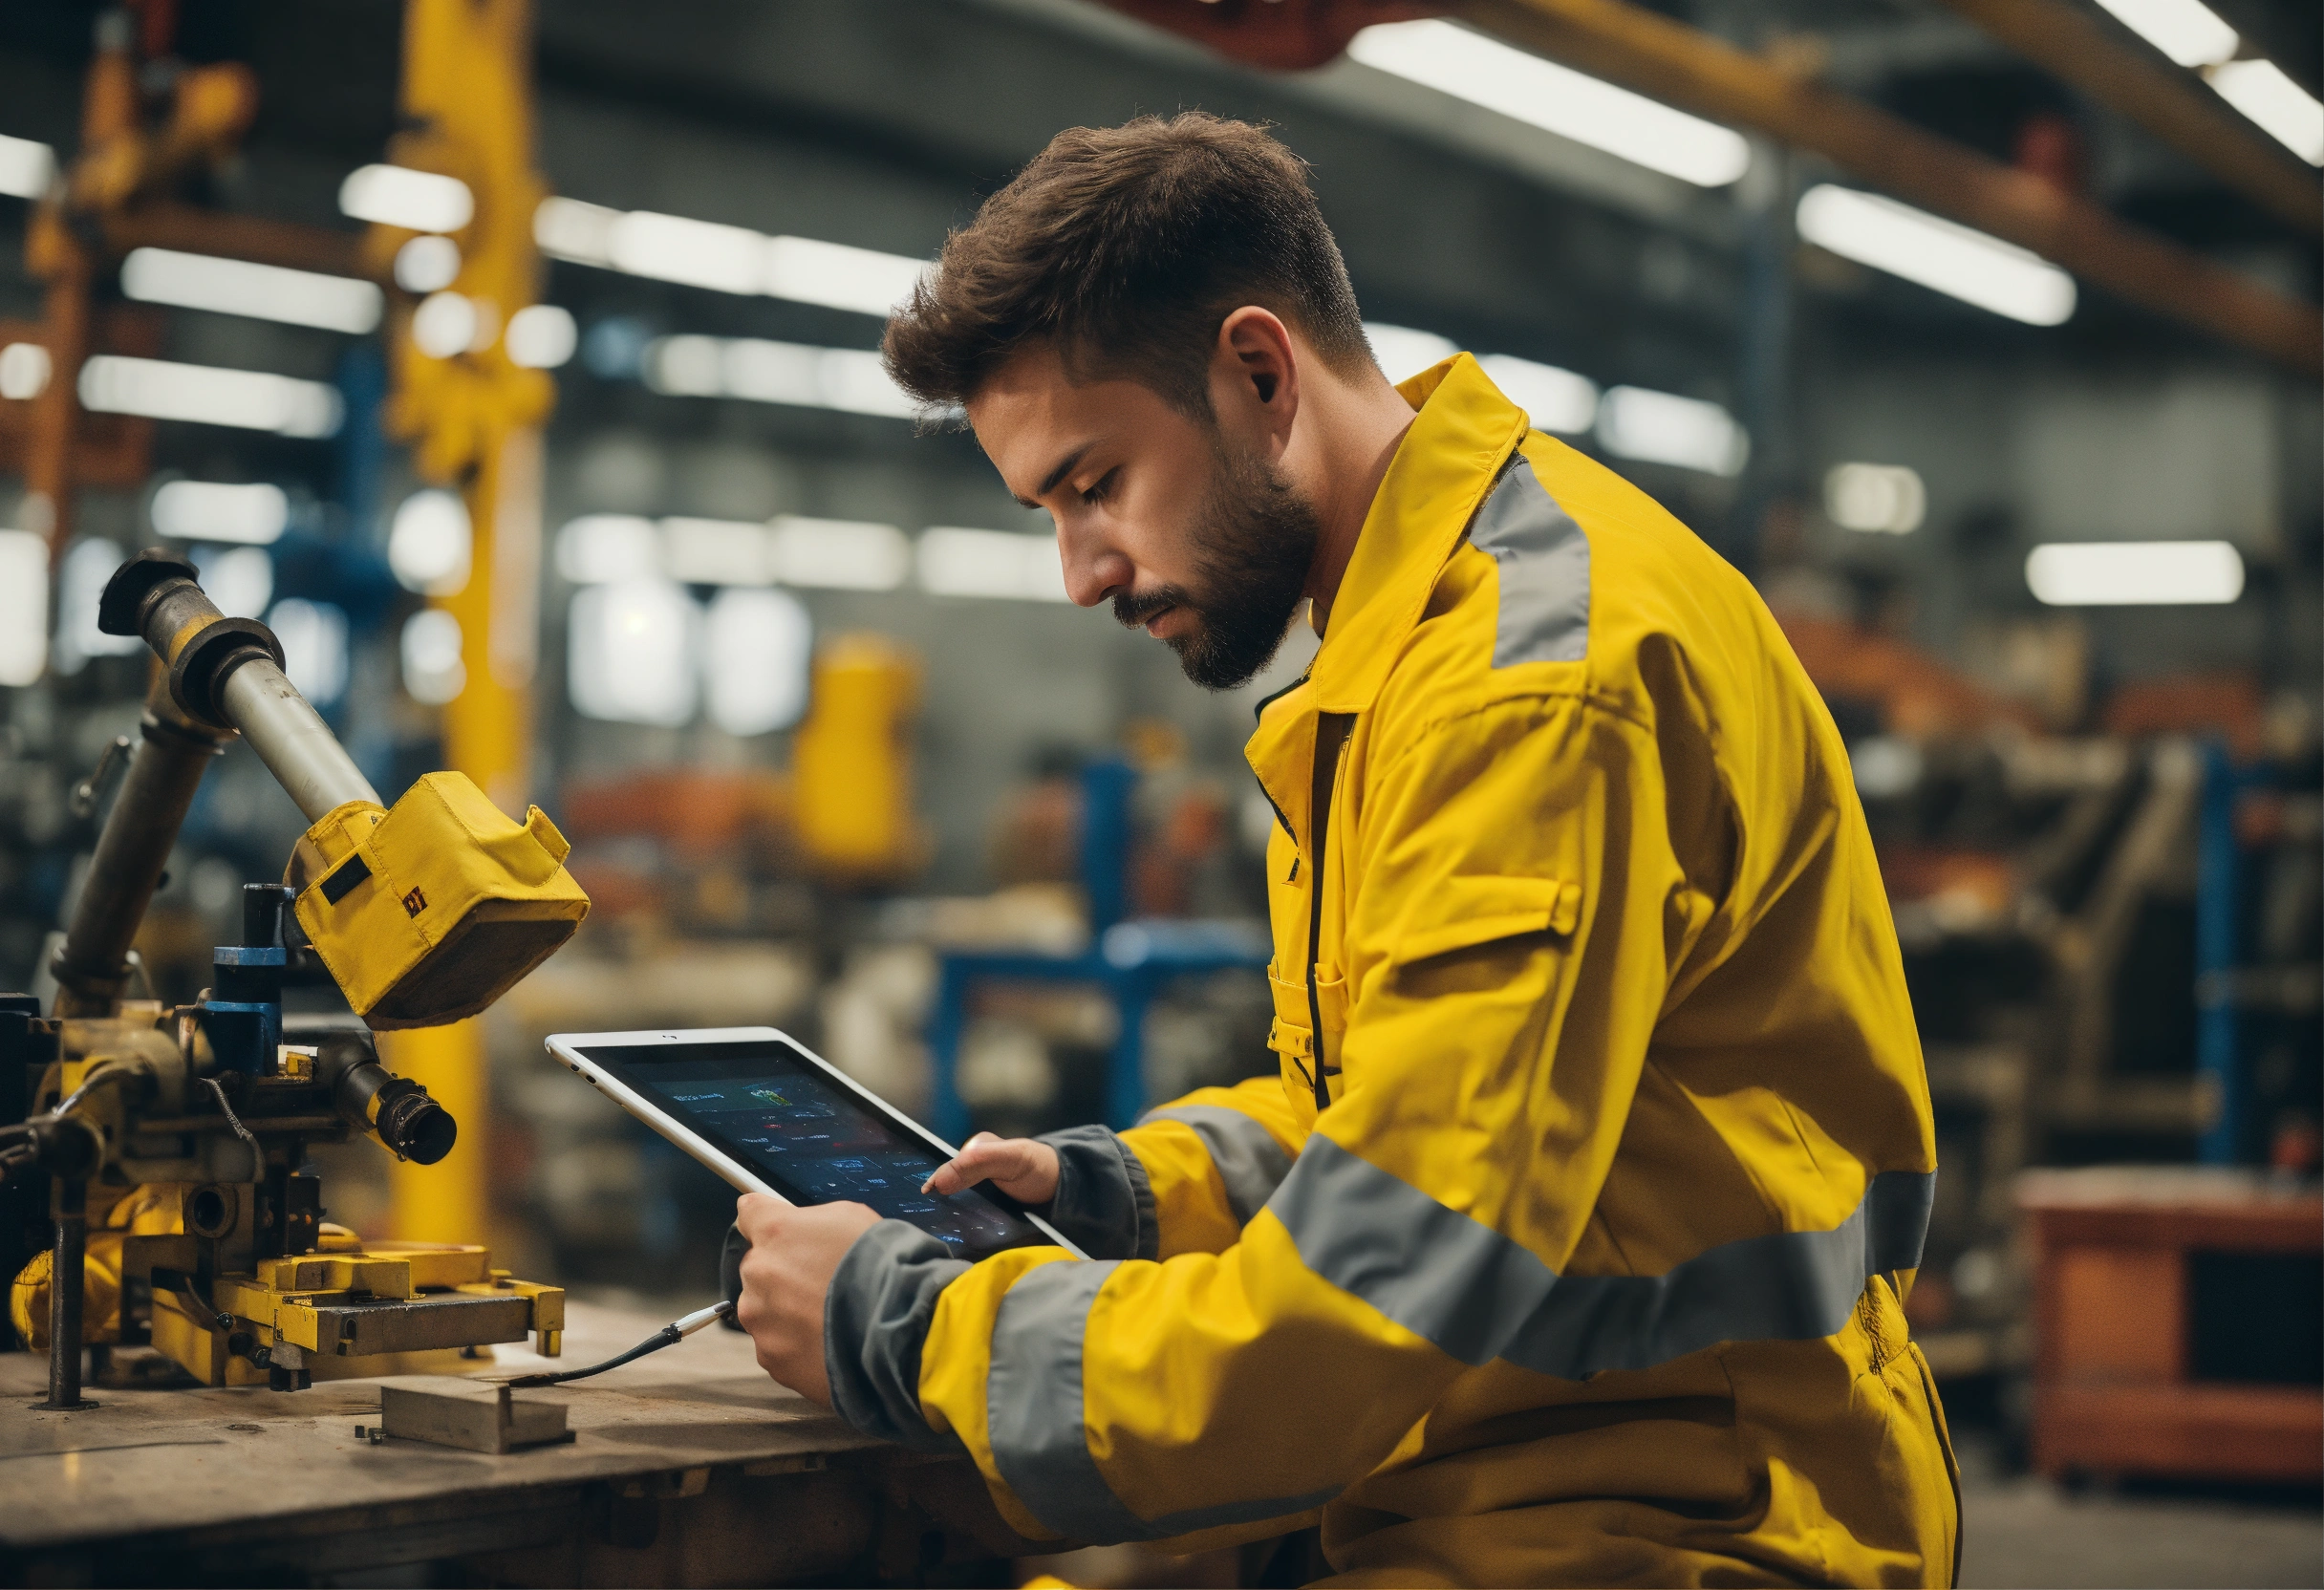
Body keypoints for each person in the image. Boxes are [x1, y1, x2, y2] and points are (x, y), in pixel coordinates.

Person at [733, 113, 1956, 1587]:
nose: (1079, 574)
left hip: (1672, 1524)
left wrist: (905, 1327)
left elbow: (1366, 1299)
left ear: (1260, 375)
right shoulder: (1418, 644)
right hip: (1502, 1480)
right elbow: (1401, 1129)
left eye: (1093, 483)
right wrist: (1127, 1190)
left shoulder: (1530, 690)